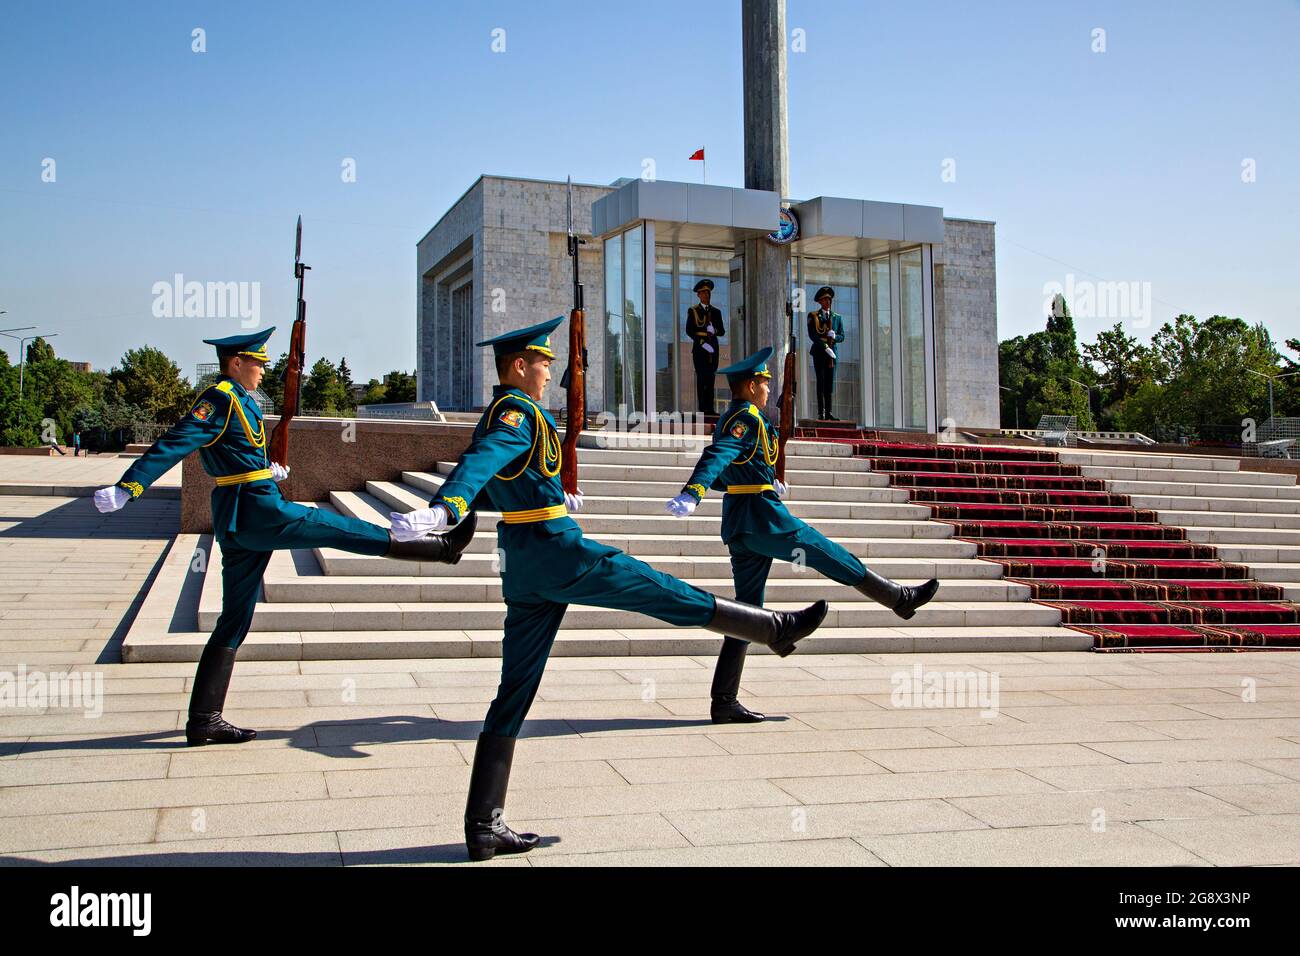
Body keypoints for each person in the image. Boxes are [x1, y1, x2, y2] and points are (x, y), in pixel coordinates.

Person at [390, 317, 828, 861]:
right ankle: (772, 628)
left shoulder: (505, 414)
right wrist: (447, 505)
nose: (551, 371)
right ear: (519, 366)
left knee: (515, 688)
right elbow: (482, 463)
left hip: (524, 561)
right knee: (658, 589)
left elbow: (495, 474)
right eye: (544, 362)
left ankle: (483, 824)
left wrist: (514, 498)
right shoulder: (514, 413)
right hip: (557, 551)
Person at [93, 328, 475, 747]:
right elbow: (177, 441)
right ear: (236, 363)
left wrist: (262, 468)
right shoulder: (219, 399)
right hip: (257, 510)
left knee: (234, 619)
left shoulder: (241, 401)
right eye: (256, 363)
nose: (262, 370)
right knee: (338, 527)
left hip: (244, 509)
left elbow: (233, 451)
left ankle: (204, 719)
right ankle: (439, 547)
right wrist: (130, 486)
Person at [664, 347, 941, 724]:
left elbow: (734, 467)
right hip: (763, 520)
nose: (768, 387)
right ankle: (898, 597)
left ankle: (724, 701)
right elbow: (719, 455)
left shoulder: (736, 417)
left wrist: (765, 480)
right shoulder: (744, 418)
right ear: (749, 385)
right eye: (763, 382)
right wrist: (692, 492)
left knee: (746, 614)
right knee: (828, 554)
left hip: (742, 521)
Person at [685, 278, 726, 414]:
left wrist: (715, 331)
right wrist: (702, 343)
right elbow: (689, 331)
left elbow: (722, 331)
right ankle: (702, 409)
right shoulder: (693, 311)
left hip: (713, 348)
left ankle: (710, 408)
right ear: (698, 295)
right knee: (702, 378)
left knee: (711, 378)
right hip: (700, 348)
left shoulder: (716, 312)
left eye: (708, 293)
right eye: (703, 293)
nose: (706, 296)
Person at [808, 286, 845, 421]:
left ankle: (829, 412)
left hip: (832, 354)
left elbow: (842, 336)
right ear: (819, 301)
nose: (828, 302)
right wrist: (824, 346)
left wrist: (835, 337)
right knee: (821, 382)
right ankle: (821, 412)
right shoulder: (813, 316)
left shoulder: (837, 318)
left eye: (829, 299)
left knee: (830, 384)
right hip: (820, 352)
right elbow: (813, 335)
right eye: (825, 299)